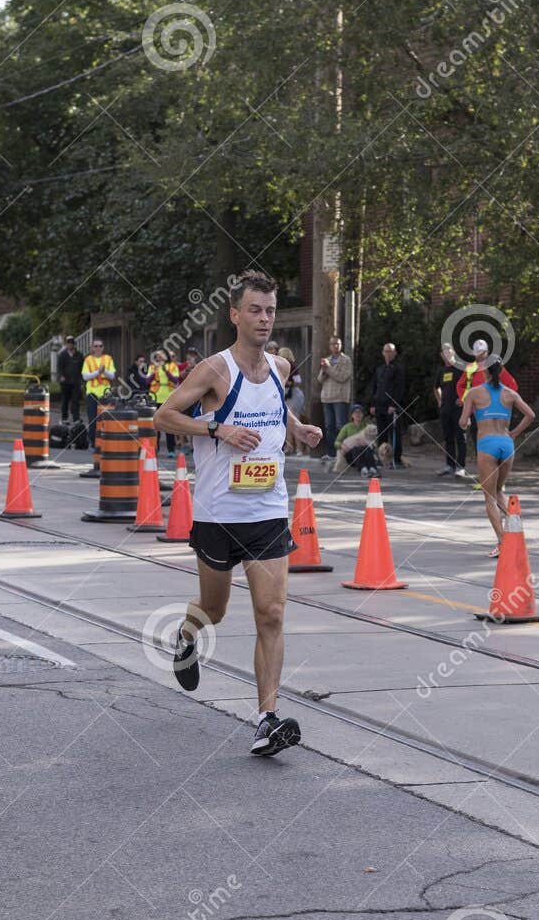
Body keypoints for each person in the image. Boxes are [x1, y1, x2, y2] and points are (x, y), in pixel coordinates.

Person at [150, 269, 322, 757]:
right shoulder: (213, 370)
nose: (264, 318)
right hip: (217, 512)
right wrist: (217, 430)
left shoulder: (281, 369)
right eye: (255, 309)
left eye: (269, 310)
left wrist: (299, 428)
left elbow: (273, 411)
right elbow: (163, 416)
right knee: (217, 610)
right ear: (235, 314)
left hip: (268, 509)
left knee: (271, 613)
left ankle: (266, 719)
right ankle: (187, 633)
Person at [459, 354, 535, 556]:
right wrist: (515, 433)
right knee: (500, 490)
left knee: (489, 497)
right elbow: (531, 414)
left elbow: (463, 421)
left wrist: (466, 423)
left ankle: (503, 542)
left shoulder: (474, 393)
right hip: (506, 444)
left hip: (487, 444)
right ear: (501, 371)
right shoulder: (510, 393)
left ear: (484, 370)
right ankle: (515, 532)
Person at [82, 338, 116, 471]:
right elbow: (85, 377)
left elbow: (112, 376)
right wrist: (98, 372)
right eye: (96, 346)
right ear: (92, 348)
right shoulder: (88, 360)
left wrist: (104, 371)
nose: (98, 348)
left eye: (100, 346)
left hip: (105, 393)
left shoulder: (108, 359)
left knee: (105, 420)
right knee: (92, 419)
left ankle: (105, 442)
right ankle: (93, 443)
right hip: (92, 393)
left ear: (103, 347)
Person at [433, 344, 467, 477]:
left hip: (459, 409)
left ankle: (461, 467)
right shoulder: (441, 370)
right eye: (444, 352)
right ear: (441, 355)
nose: (446, 353)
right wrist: (439, 400)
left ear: (453, 352)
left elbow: (469, 385)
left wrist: (463, 398)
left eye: (449, 351)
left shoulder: (461, 368)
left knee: (460, 437)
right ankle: (449, 465)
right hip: (445, 409)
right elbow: (436, 387)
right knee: (448, 438)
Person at [318, 336, 353, 462]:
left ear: (341, 345)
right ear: (330, 346)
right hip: (327, 397)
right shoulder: (327, 360)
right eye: (333, 344)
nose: (335, 346)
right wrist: (323, 370)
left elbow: (342, 377)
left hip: (340, 397)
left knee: (341, 426)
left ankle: (343, 454)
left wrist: (328, 368)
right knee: (329, 427)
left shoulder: (346, 360)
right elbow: (320, 380)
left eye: (337, 344)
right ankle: (331, 454)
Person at [372, 342, 406, 468]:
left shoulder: (398, 368)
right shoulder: (380, 369)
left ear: (395, 353)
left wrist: (394, 404)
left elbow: (399, 388)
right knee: (381, 433)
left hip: (391, 406)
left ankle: (396, 458)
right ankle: (382, 458)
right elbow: (375, 387)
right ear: (382, 353)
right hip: (380, 405)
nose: (388, 354)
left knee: (394, 433)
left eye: (390, 351)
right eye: (386, 351)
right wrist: (373, 404)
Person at [335, 404, 380, 475]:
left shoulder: (368, 427)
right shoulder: (347, 427)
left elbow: (374, 443)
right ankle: (363, 469)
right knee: (355, 448)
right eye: (355, 412)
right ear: (352, 415)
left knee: (366, 448)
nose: (357, 414)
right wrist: (342, 446)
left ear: (363, 415)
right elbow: (336, 442)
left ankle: (372, 468)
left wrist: (371, 444)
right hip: (351, 455)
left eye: (360, 412)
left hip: (366, 454)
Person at [278, 347, 306, 454]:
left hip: (294, 394)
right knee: (285, 421)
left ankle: (299, 449)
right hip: (285, 394)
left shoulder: (292, 366)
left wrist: (288, 383)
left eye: (280, 354)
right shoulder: (278, 367)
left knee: (295, 420)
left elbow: (298, 381)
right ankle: (289, 447)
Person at [58, 336, 84, 421]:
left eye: (71, 343)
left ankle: (76, 418)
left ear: (74, 344)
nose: (70, 345)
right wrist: (61, 376)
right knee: (65, 401)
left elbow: (82, 368)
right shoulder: (62, 355)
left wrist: (82, 380)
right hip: (65, 382)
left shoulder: (79, 355)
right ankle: (64, 418)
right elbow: (60, 367)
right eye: (68, 343)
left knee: (75, 401)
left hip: (76, 382)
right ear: (66, 344)